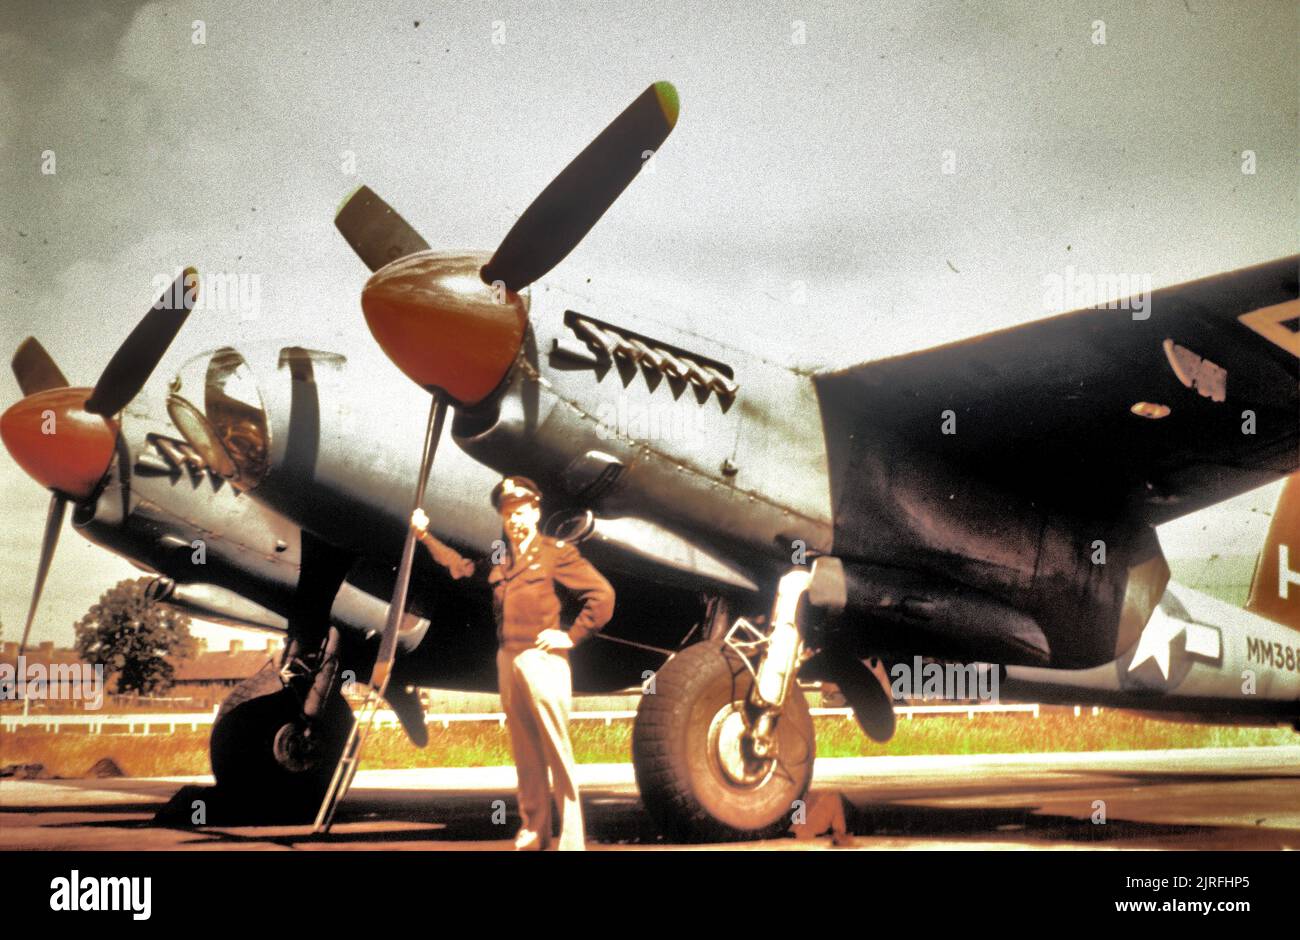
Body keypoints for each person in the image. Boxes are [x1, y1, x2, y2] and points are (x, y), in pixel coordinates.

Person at [410, 475, 615, 850]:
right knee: (525, 752)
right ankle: (535, 829)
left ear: (535, 512)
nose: (515, 522)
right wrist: (425, 537)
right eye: (508, 515)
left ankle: (570, 840)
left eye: (521, 512)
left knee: (556, 750)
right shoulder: (501, 561)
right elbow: (460, 567)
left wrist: (570, 636)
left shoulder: (556, 553)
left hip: (543, 660)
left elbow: (602, 595)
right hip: (509, 661)